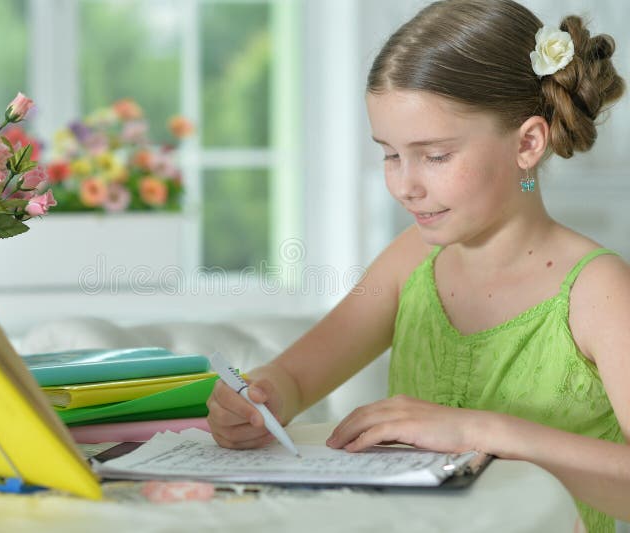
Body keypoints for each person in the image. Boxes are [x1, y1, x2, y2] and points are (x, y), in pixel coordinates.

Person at [205, 1, 628, 531]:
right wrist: (261, 398)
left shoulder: (599, 291)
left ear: (527, 142)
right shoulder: (412, 258)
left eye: (435, 155)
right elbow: (294, 375)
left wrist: (481, 430)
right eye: (389, 153)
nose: (405, 185)